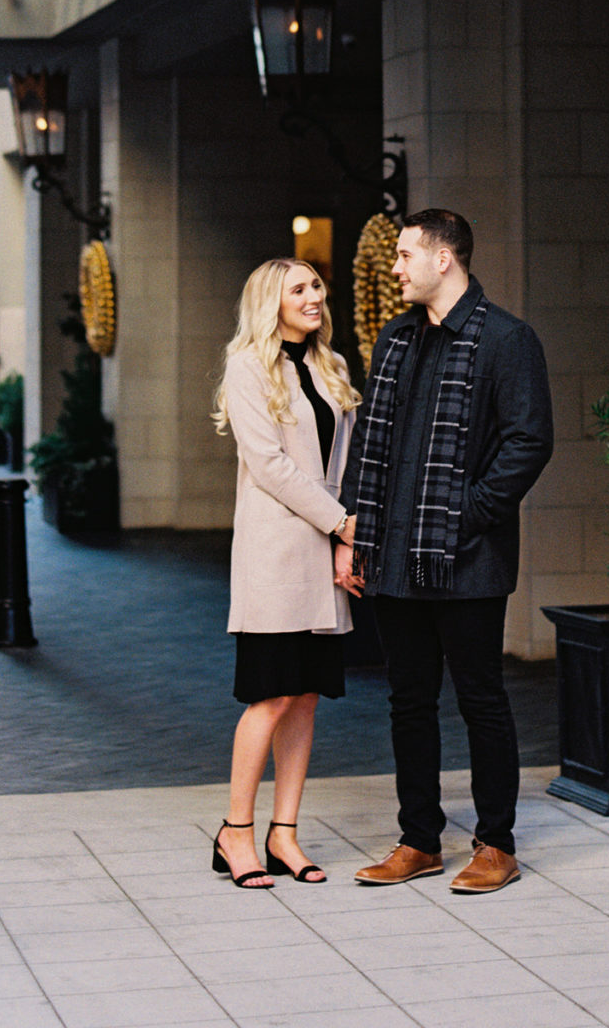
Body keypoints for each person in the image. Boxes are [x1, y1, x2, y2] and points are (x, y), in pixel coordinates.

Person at [336, 208, 552, 895]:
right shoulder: (395, 338)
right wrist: (354, 531)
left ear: (444, 259)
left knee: (481, 699)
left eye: (405, 255)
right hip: (394, 555)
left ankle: (496, 844)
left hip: (469, 558)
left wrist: (470, 514)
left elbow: (529, 441)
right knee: (408, 701)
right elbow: (369, 443)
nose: (395, 267)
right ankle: (419, 840)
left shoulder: (507, 339)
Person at [210, 258, 361, 890]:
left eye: (316, 286)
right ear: (269, 303)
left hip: (323, 549)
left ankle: (284, 834)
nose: (313, 296)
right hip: (275, 552)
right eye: (297, 289)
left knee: (305, 695)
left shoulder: (333, 366)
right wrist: (342, 524)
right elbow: (269, 465)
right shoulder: (248, 367)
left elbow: (343, 465)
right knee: (269, 695)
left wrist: (343, 544)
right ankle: (235, 832)